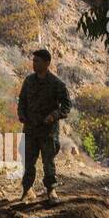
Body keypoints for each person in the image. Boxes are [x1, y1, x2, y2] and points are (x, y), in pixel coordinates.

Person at [16, 49, 71, 206]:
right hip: (30, 130)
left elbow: (67, 105)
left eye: (37, 61)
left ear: (47, 63)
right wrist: (21, 114)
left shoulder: (56, 84)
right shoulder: (28, 81)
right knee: (28, 162)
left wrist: (54, 115)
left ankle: (51, 190)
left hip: (48, 132)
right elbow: (22, 101)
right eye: (33, 61)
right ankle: (27, 190)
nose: (34, 63)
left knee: (48, 162)